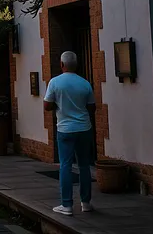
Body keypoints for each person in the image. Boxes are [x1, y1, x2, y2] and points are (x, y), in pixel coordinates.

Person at [44, 51, 96, 216]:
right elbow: (92, 107)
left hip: (65, 129)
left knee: (65, 165)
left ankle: (66, 205)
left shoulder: (55, 82)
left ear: (61, 64)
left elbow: (47, 105)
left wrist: (59, 106)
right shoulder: (85, 83)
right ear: (76, 65)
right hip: (84, 128)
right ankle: (86, 202)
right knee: (84, 166)